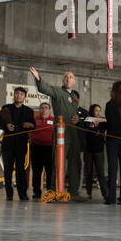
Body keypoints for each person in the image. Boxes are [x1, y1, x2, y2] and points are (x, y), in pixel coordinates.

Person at [29, 68, 87, 200]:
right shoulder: (57, 91)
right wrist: (38, 78)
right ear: (63, 80)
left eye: (71, 77)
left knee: (75, 162)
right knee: (58, 161)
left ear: (74, 81)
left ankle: (74, 192)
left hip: (73, 132)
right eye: (66, 77)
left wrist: (78, 119)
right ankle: (56, 191)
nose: (68, 79)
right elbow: (45, 88)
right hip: (61, 132)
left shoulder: (75, 96)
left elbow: (77, 112)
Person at [0, 86, 35, 201]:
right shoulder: (6, 108)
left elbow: (33, 125)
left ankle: (22, 194)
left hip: (21, 144)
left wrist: (28, 125)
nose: (19, 96)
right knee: (8, 170)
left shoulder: (29, 111)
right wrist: (6, 126)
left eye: (21, 94)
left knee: (20, 170)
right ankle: (9, 194)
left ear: (24, 98)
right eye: (17, 93)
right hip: (8, 144)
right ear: (14, 95)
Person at [81, 103, 109, 201]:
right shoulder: (87, 120)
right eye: (96, 110)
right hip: (88, 149)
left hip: (99, 150)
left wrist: (99, 124)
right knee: (88, 173)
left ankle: (105, 194)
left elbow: (107, 128)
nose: (98, 112)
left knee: (100, 172)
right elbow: (84, 131)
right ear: (92, 110)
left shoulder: (103, 121)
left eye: (99, 111)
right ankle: (89, 193)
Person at [30, 102, 55, 194]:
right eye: (42, 108)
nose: (44, 110)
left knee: (50, 171)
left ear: (49, 110)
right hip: (36, 148)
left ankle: (49, 191)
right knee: (36, 171)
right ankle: (36, 191)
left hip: (49, 148)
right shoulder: (34, 120)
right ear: (39, 110)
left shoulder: (54, 120)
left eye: (46, 108)